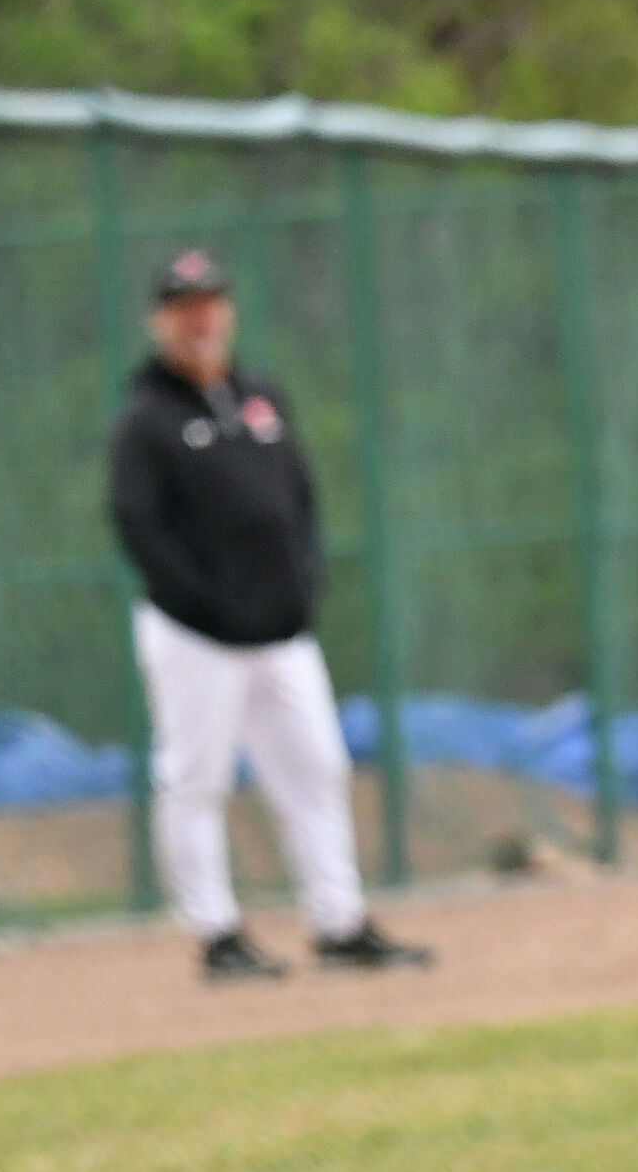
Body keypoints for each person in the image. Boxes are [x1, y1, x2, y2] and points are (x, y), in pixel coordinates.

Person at [106, 248, 429, 982]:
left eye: (210, 301)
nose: (201, 316)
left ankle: (339, 922)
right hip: (197, 635)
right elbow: (138, 526)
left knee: (316, 769)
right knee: (196, 778)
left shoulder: (261, 397)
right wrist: (204, 603)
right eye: (184, 305)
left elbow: (300, 501)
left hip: (282, 632)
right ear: (160, 319)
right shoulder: (146, 418)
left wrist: (301, 585)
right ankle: (218, 935)